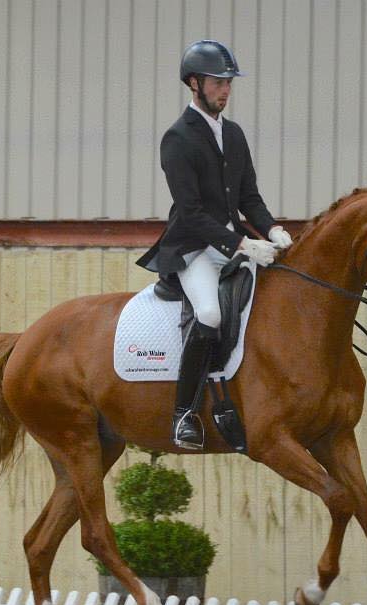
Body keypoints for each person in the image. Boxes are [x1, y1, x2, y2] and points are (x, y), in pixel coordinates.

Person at [137, 39, 293, 450]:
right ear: (194, 83)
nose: (225, 90)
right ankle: (183, 414)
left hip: (234, 244)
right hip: (193, 249)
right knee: (209, 312)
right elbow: (190, 213)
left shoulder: (234, 134)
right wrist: (243, 244)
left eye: (228, 83)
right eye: (216, 82)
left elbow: (249, 199)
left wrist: (274, 230)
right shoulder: (177, 138)